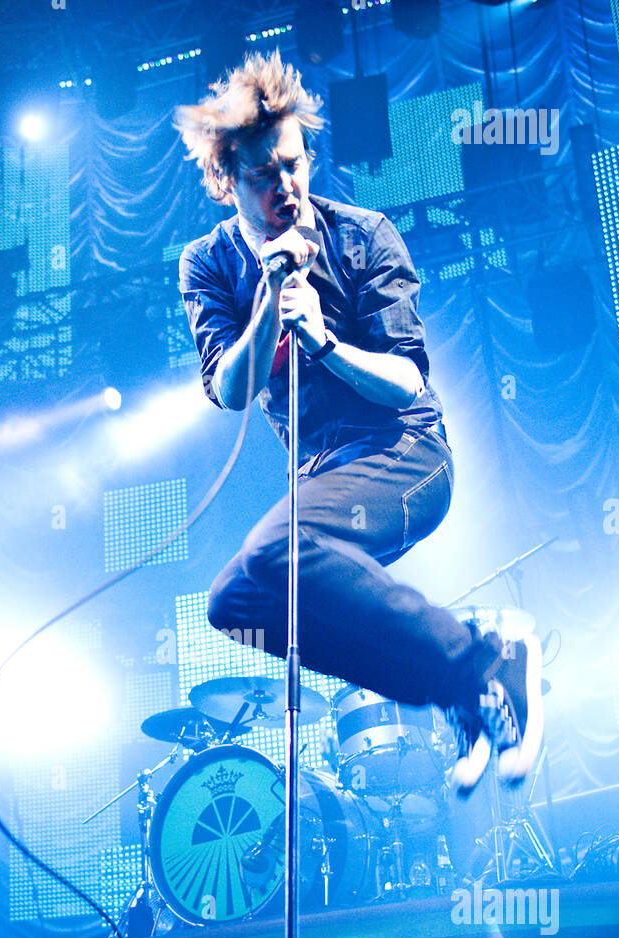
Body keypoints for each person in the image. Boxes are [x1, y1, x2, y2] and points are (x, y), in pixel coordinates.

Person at [174, 51, 542, 793]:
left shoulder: (362, 234)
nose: (285, 187)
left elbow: (408, 378)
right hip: (324, 473)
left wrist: (326, 345)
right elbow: (232, 388)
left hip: (408, 453)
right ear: (226, 183)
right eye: (262, 176)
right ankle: (453, 689)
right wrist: (266, 305)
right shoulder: (208, 265)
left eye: (293, 164)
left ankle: (485, 659)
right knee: (235, 602)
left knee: (279, 547)